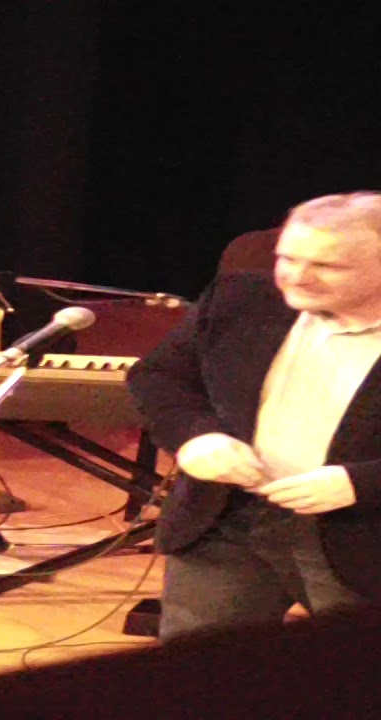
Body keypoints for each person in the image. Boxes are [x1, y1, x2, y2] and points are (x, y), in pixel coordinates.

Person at [127, 191, 381, 642]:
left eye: (328, 266)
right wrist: (195, 438)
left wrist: (361, 483)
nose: (297, 276)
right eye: (288, 257)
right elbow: (159, 376)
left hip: (363, 536)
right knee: (197, 675)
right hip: (228, 518)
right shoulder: (241, 299)